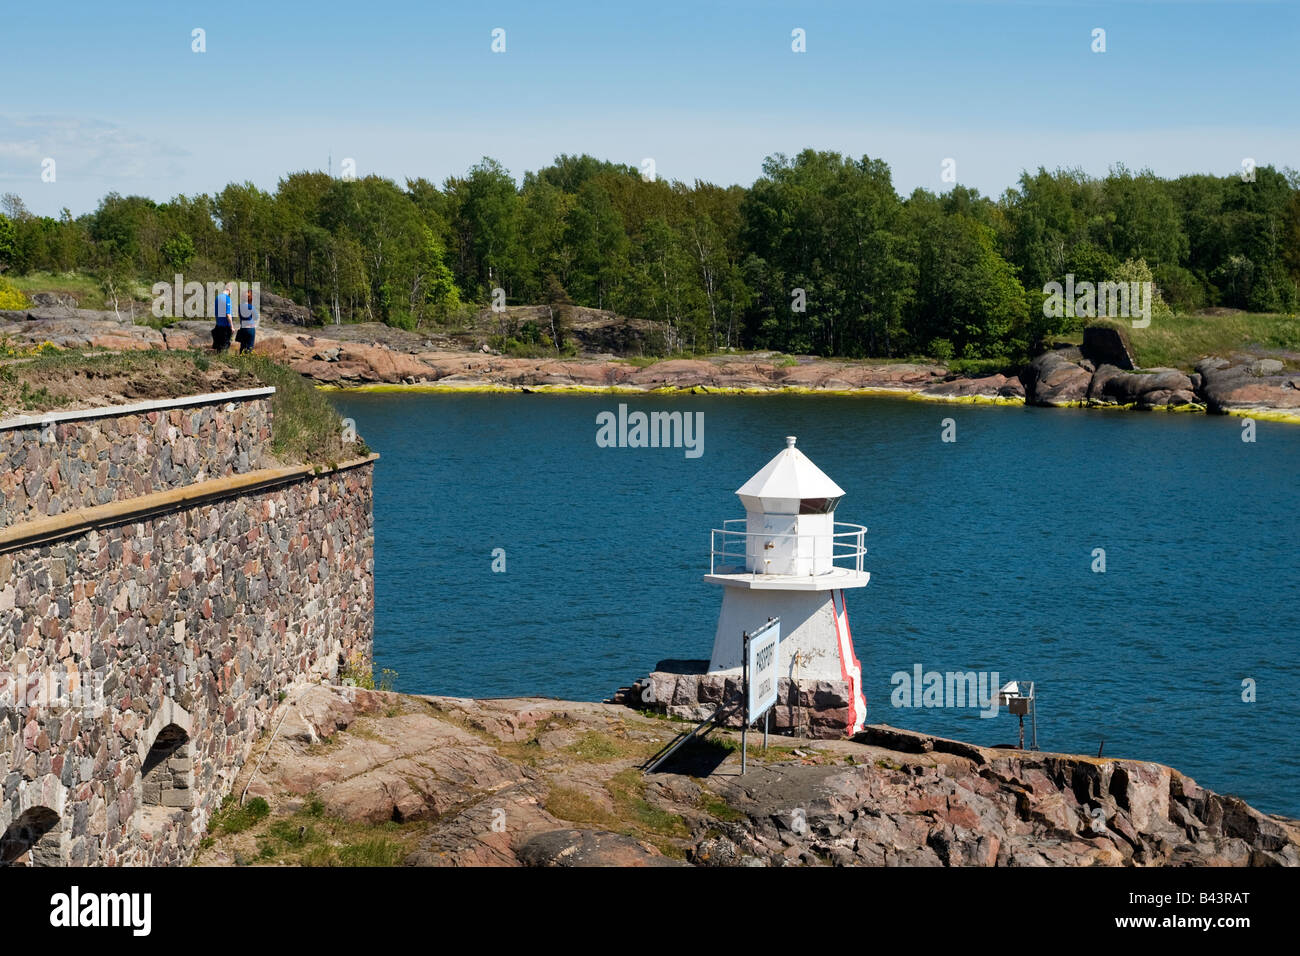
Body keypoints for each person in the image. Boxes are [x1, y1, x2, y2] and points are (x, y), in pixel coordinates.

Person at [211, 283, 233, 352]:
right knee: (225, 347)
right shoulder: (227, 298)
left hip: (218, 325)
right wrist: (232, 326)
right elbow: (228, 314)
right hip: (225, 326)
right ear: (229, 289)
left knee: (219, 347)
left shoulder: (217, 297)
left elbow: (216, 312)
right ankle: (223, 361)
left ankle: (217, 361)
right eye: (231, 291)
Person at [235, 287, 258, 353]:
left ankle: (240, 361)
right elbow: (256, 317)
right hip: (250, 329)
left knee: (242, 347)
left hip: (243, 328)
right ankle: (247, 361)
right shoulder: (251, 307)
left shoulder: (239, 306)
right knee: (249, 348)